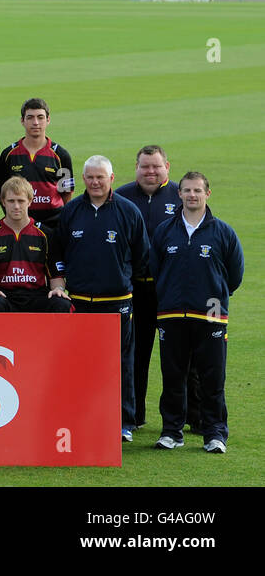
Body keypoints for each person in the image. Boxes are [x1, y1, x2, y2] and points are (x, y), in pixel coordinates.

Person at [52, 155, 149, 442]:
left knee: (120, 362)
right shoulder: (71, 211)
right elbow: (57, 252)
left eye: (100, 177)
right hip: (80, 301)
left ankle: (124, 422)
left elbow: (142, 257)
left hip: (117, 301)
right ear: (83, 179)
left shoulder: (129, 211)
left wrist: (122, 278)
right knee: (80, 360)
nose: (95, 182)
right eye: (90, 177)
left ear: (111, 178)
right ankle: (82, 415)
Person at [151, 172, 244, 454]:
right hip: (171, 313)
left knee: (212, 378)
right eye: (187, 190)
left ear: (207, 194)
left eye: (197, 191)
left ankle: (215, 434)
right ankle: (171, 432)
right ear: (179, 194)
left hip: (212, 315)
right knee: (173, 376)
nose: (192, 195)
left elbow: (234, 275)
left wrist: (212, 295)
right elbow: (155, 270)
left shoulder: (223, 232)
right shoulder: (165, 230)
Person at [116, 145, 184, 430]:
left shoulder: (182, 195)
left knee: (180, 356)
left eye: (156, 166)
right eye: (145, 166)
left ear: (167, 166)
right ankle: (136, 415)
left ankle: (191, 417)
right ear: (136, 167)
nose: (151, 172)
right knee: (136, 355)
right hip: (135, 291)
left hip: (171, 290)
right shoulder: (120, 196)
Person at [0, 177, 71, 313]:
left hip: (36, 295)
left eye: (21, 201)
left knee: (61, 303)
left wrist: (58, 290)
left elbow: (56, 276)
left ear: (30, 201)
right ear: (3, 202)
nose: (16, 206)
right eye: (11, 201)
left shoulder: (46, 234)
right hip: (3, 295)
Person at [0, 98, 73, 227]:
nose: (36, 122)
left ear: (48, 120)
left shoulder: (61, 155)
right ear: (22, 121)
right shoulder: (8, 155)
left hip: (53, 225)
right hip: (20, 225)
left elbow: (66, 193)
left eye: (40, 117)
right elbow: (2, 192)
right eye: (30, 117)